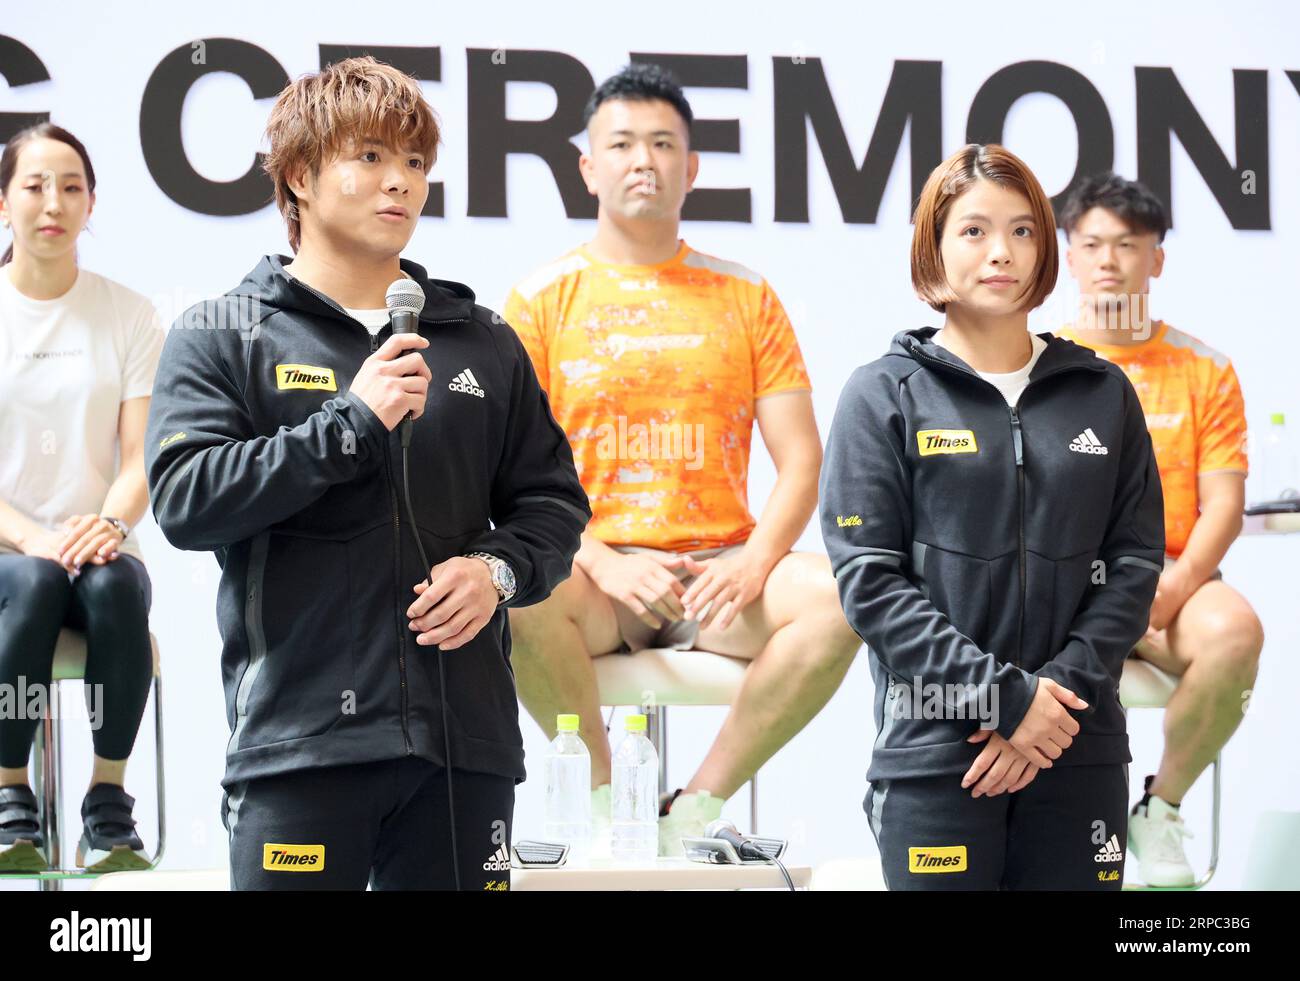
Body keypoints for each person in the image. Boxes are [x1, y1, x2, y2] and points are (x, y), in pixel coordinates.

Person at [143, 56, 589, 890]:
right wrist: (349, 421)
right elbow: (186, 499)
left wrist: (498, 570)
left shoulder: (481, 339)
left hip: (466, 748)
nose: (402, 184)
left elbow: (553, 504)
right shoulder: (223, 333)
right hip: (299, 748)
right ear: (302, 176)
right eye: (372, 156)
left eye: (416, 164)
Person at [502, 63, 861, 856]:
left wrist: (755, 560)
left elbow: (803, 459)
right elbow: (507, 472)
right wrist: (595, 558)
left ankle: (694, 807)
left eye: (664, 144)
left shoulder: (746, 295)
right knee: (519, 592)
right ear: (588, 167)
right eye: (622, 143)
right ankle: (606, 808)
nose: (644, 160)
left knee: (843, 598)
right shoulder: (539, 300)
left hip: (719, 573)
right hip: (596, 575)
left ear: (691, 168)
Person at [821, 144, 1166, 890]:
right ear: (934, 248)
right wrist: (1007, 701)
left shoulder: (1103, 392)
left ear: (1044, 248)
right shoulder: (883, 393)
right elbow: (871, 585)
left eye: (1022, 231)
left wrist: (1048, 709)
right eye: (973, 231)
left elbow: (1134, 567)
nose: (1000, 252)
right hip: (937, 750)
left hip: (1080, 746)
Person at [1058, 173, 1263, 887]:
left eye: (1127, 244)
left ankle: (1158, 807)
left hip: (1170, 580)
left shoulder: (1204, 368)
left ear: (1157, 259)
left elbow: (1224, 505)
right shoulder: (1038, 359)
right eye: (1092, 245)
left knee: (1236, 631)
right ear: (1070, 256)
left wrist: (1170, 589)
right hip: (1064, 581)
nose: (1109, 260)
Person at [0, 123, 161, 872]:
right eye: (34, 186)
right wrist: (31, 537)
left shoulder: (128, 314)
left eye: (71, 187)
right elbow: (30, 551)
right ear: (5, 202)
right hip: (11, 558)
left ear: (91, 202)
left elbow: (142, 458)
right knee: (34, 580)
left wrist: (108, 522)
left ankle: (107, 799)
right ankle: (10, 794)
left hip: (94, 547)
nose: (53, 203)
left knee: (120, 581)